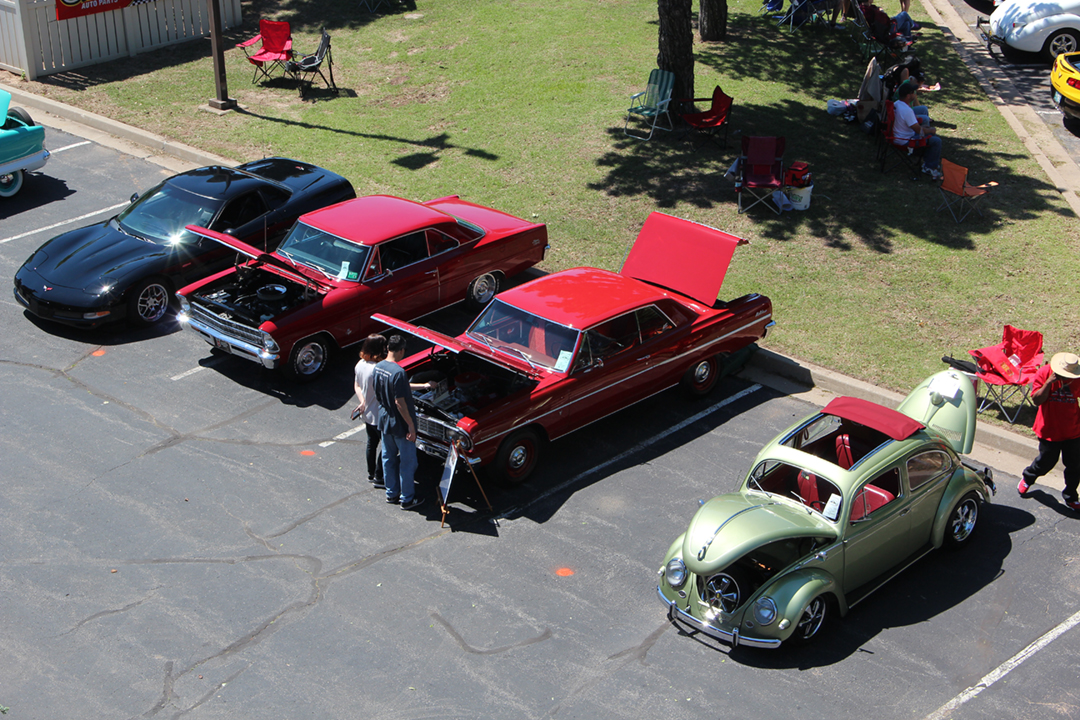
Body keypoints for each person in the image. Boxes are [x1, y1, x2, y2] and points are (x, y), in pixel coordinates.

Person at [1018, 352, 1080, 511]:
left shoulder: (1077, 377)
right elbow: (1037, 400)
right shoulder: (1044, 372)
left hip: (1073, 430)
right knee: (1046, 463)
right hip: (1049, 430)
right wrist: (1049, 382)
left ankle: (1071, 497)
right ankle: (1028, 478)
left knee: (1075, 466)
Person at [373, 335, 425, 510]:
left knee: (388, 458)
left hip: (384, 419)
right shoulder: (399, 373)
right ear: (401, 351)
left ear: (388, 348)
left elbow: (378, 393)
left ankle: (391, 493)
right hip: (400, 425)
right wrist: (411, 425)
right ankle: (407, 498)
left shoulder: (378, 367)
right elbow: (400, 402)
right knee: (408, 462)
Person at [353, 334, 387, 489]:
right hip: (379, 415)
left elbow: (357, 386)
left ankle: (371, 472)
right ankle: (379, 476)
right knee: (387, 447)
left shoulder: (360, 364)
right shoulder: (378, 369)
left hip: (367, 413)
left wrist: (363, 402)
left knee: (371, 443)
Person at [892, 81, 942, 180]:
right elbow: (919, 131)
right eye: (913, 93)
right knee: (936, 141)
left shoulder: (897, 103)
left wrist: (926, 128)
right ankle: (929, 167)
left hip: (898, 135)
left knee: (929, 134)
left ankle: (930, 162)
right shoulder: (907, 111)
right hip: (905, 140)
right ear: (908, 96)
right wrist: (931, 130)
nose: (915, 94)